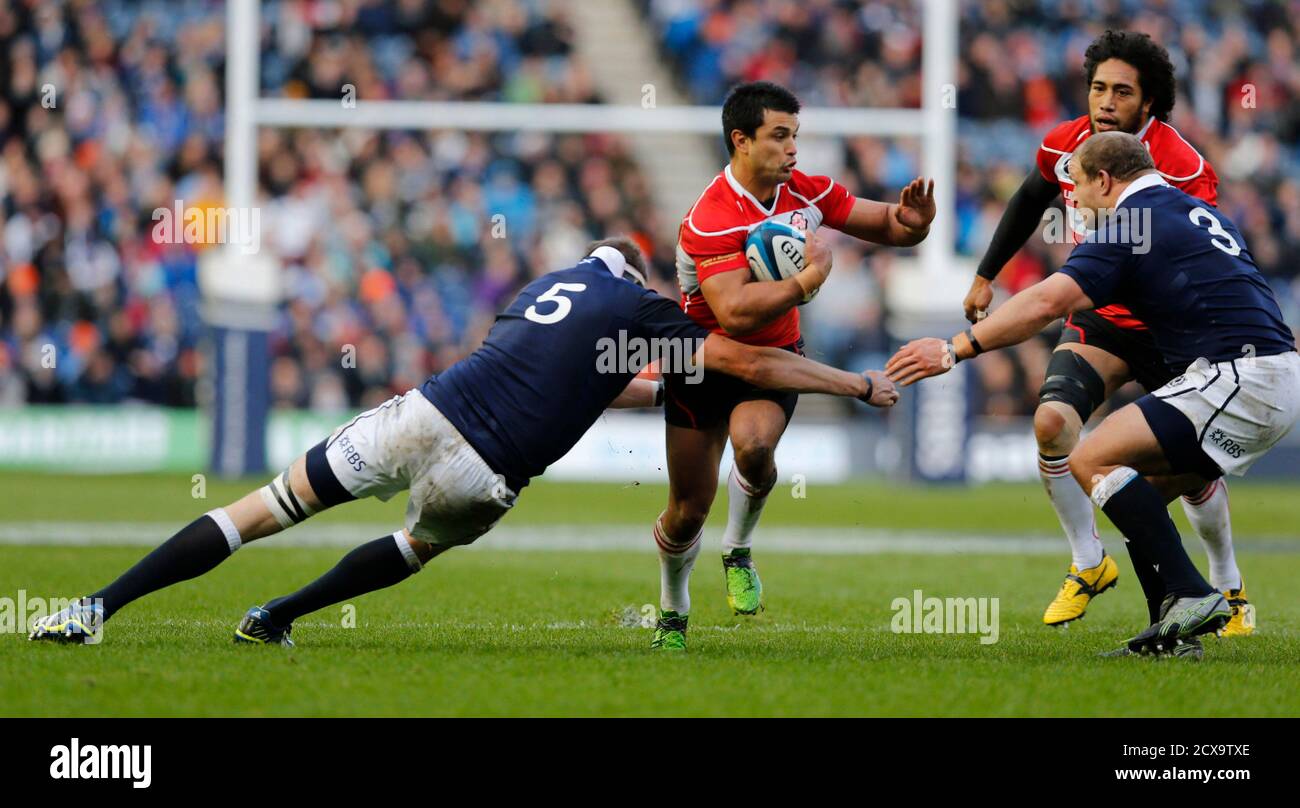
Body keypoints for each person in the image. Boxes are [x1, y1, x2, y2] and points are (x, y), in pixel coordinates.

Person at [30, 238, 898, 646]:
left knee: (260, 509)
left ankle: (95, 609)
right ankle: (275, 619)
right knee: (412, 545)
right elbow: (736, 355)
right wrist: (852, 380)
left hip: (427, 412)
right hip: (487, 473)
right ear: (635, 279)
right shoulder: (642, 309)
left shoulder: (542, 289)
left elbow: (588, 373)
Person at [888, 132, 1299, 658]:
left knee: (1090, 459)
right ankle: (1171, 637)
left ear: (1105, 179)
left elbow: (1047, 301)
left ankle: (1199, 592)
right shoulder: (1196, 210)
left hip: (1241, 376)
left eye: (1078, 186)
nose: (1073, 201)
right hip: (1273, 374)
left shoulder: (1132, 222)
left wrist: (954, 349)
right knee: (1141, 491)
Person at [959, 30, 1251, 632]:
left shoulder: (1183, 164)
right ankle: (1087, 561)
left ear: (1149, 104)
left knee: (1192, 473)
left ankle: (1229, 585)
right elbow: (1029, 197)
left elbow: (1206, 252)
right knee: (1050, 424)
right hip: (1100, 316)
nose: (1106, 102)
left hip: (1171, 328)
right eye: (1098, 88)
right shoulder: (1065, 144)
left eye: (1122, 91)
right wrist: (987, 274)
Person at [653, 80, 933, 650]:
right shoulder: (710, 217)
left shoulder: (805, 191)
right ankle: (673, 608)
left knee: (754, 447)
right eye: (779, 136)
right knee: (686, 510)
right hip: (701, 363)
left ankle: (737, 549)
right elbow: (731, 312)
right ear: (741, 141)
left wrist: (916, 221)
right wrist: (807, 280)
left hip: (775, 360)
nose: (792, 149)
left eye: (795, 135)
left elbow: (888, 226)